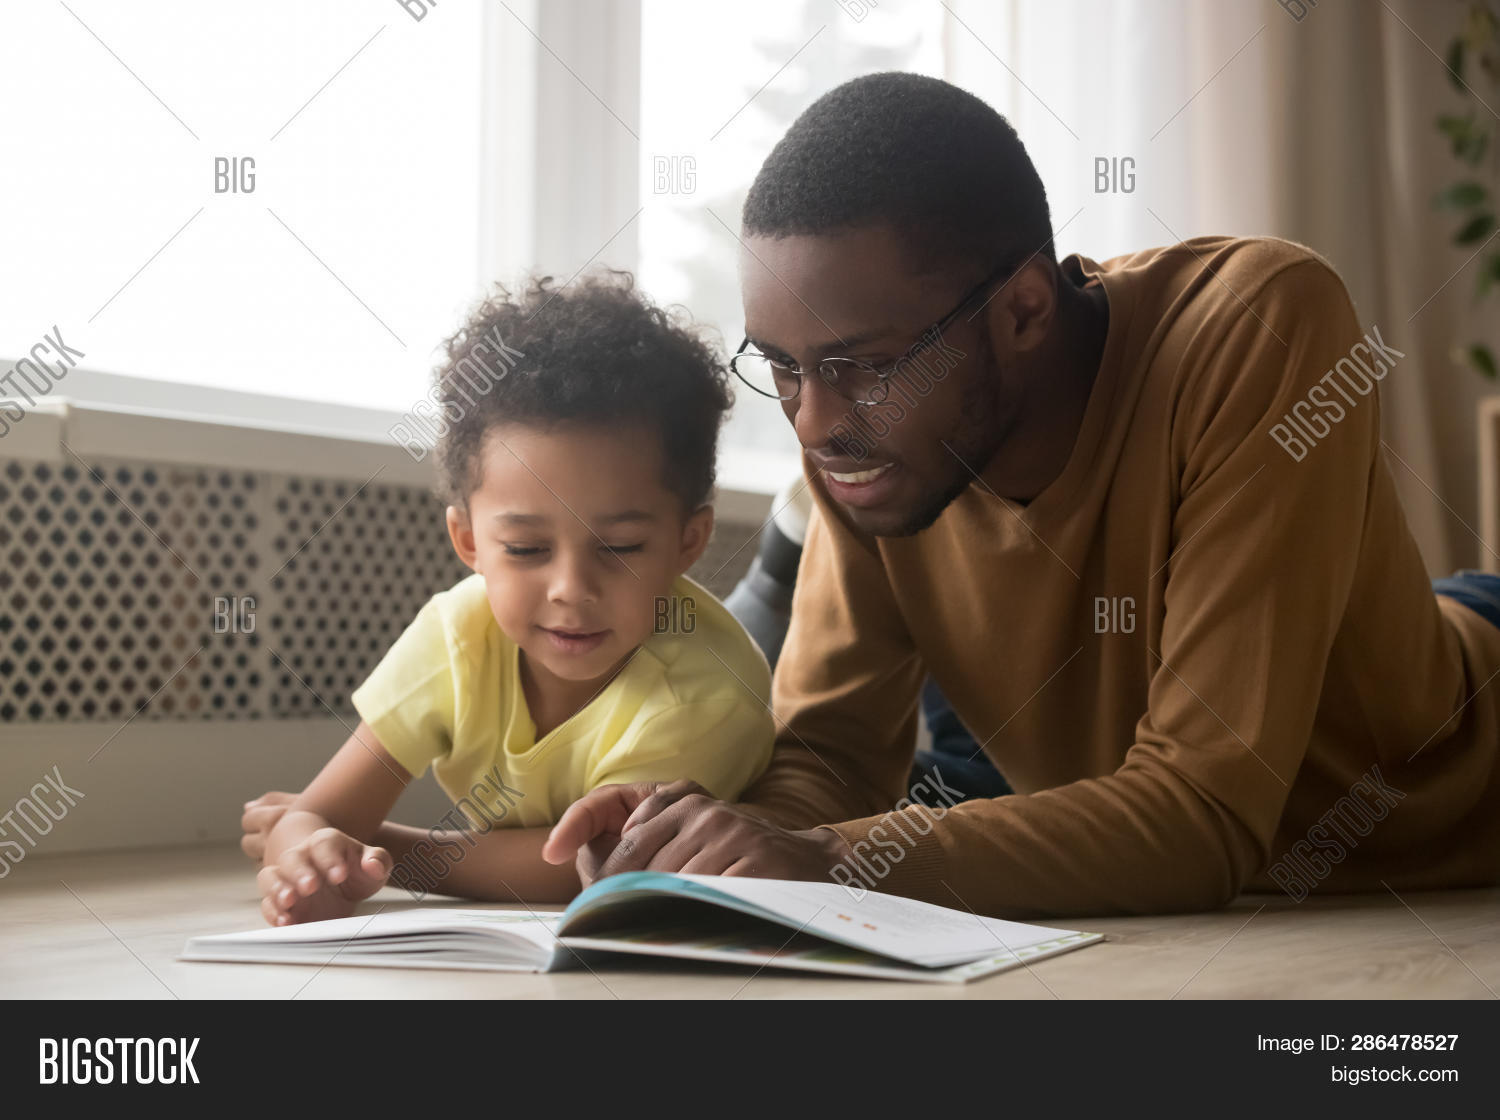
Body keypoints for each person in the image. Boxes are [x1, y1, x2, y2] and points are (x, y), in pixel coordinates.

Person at [543, 72, 1500, 919]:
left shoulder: (1255, 321)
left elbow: (1205, 816)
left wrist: (834, 858)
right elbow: (830, 764)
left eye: (865, 367)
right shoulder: (860, 445)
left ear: (1025, 311)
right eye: (785, 368)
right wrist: (709, 843)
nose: (814, 424)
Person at [243, 272, 774, 924]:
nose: (571, 590)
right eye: (525, 550)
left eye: (622, 548)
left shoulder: (708, 693)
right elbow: (315, 815)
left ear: (688, 542)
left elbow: (592, 867)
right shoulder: (455, 635)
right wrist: (309, 854)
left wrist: (381, 851)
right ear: (467, 540)